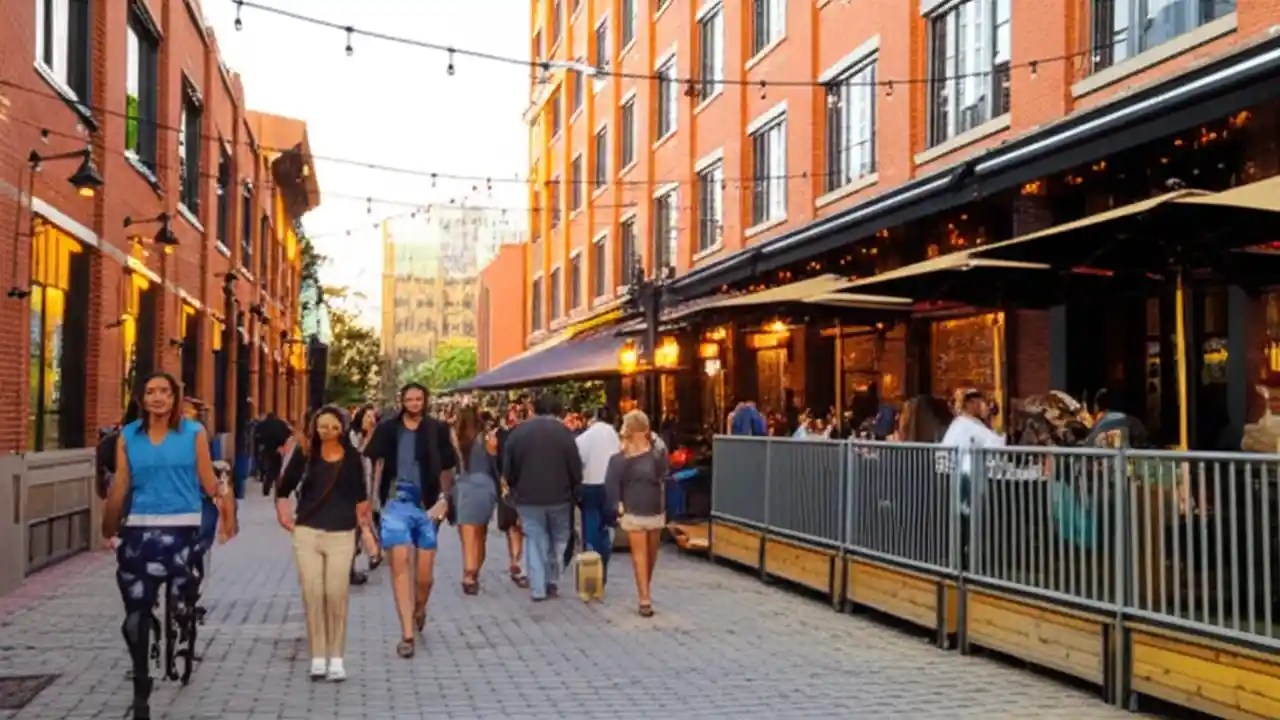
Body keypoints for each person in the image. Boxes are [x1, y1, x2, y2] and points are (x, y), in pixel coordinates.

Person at [102, 372, 237, 720]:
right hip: (140, 531)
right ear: (141, 399)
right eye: (150, 392)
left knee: (181, 601)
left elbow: (207, 481)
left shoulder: (193, 434)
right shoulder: (128, 437)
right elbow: (122, 485)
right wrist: (110, 525)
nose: (158, 397)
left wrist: (226, 507)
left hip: (183, 530)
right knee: (134, 613)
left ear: (175, 398)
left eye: (164, 391)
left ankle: (182, 628)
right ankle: (141, 685)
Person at [276, 406, 379, 682]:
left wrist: (366, 528)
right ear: (315, 428)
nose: (328, 432)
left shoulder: (353, 458)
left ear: (342, 429)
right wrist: (283, 511)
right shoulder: (306, 453)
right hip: (307, 531)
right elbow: (284, 487)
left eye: (334, 427)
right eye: (323, 427)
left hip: (342, 533)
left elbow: (361, 498)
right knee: (313, 593)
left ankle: (336, 657)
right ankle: (318, 657)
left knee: (336, 594)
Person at [363, 383, 455, 658]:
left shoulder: (437, 429)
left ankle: (419, 608)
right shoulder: (389, 429)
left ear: (425, 401)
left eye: (419, 399)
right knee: (400, 567)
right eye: (409, 399)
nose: (414, 403)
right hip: (394, 503)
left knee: (425, 576)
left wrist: (445, 499)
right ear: (402, 401)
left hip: (426, 505)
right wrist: (369, 501)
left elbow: (449, 467)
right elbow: (372, 462)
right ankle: (406, 634)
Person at [503, 393, 581, 602]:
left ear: (533, 410)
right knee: (559, 539)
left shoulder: (518, 434)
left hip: (528, 497)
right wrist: (575, 489)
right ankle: (552, 580)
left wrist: (514, 487)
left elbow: (508, 469)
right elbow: (575, 466)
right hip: (560, 496)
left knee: (535, 539)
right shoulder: (564, 434)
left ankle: (538, 588)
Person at [605, 409, 668, 617]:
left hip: (644, 509)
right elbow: (612, 484)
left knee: (646, 557)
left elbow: (612, 484)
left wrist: (617, 506)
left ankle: (644, 591)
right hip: (643, 509)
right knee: (644, 555)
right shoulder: (629, 457)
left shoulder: (646, 455)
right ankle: (644, 597)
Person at [450, 405, 499, 595]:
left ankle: (468, 574)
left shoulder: (453, 439)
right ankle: (475, 570)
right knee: (481, 533)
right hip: (485, 485)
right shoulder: (485, 438)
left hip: (462, 486)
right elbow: (495, 463)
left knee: (467, 534)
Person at [575, 406, 620, 585]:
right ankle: (604, 564)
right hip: (611, 487)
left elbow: (579, 460)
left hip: (590, 485)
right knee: (606, 526)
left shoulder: (585, 437)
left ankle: (592, 572)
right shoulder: (615, 436)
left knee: (591, 528)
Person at [496, 406, 529, 588]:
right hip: (513, 485)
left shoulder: (501, 436)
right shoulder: (521, 436)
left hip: (511, 485)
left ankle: (516, 561)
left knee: (515, 527)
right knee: (515, 526)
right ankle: (516, 561)